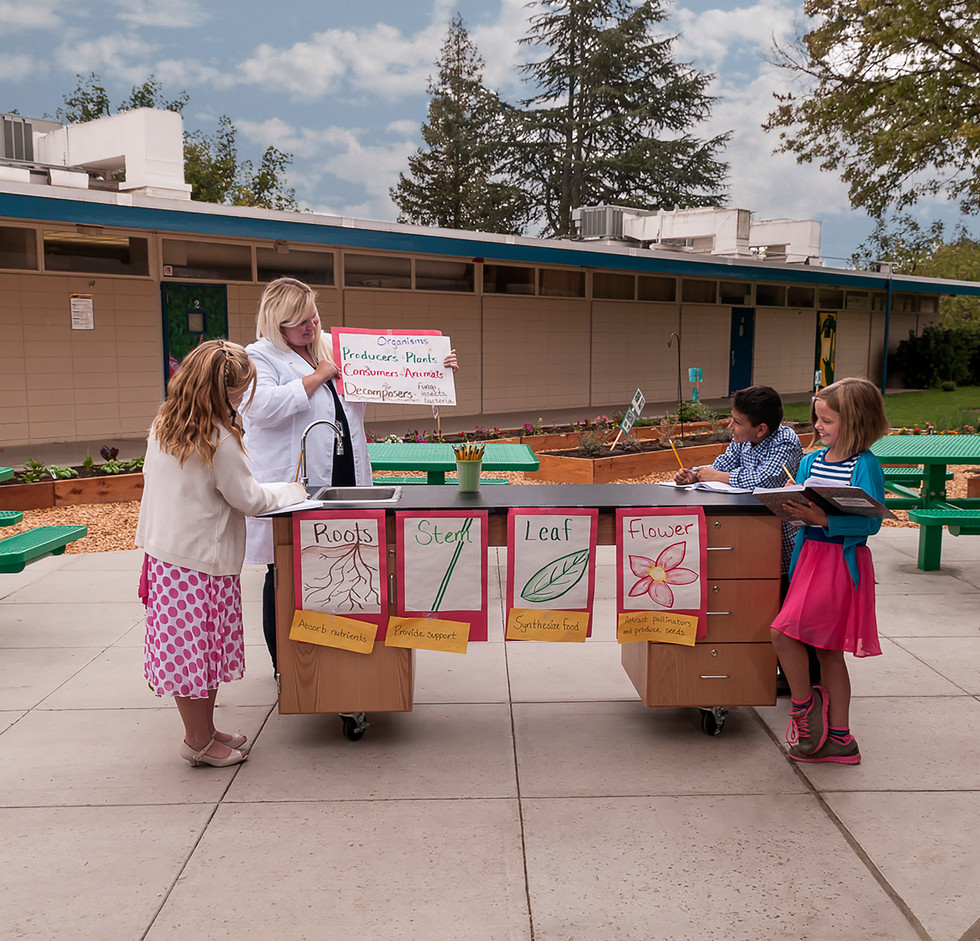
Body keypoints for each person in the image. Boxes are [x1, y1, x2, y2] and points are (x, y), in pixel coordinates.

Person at [241, 277, 458, 671]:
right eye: (300, 322)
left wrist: (434, 369)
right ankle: (286, 666)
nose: (311, 327)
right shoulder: (258, 357)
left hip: (344, 476)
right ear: (276, 322)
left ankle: (339, 652)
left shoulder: (330, 349)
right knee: (285, 571)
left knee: (341, 564)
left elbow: (388, 380)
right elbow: (261, 407)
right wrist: (318, 376)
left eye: (314, 317)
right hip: (294, 482)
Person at [136, 340, 307, 768]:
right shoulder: (217, 439)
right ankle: (197, 741)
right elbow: (249, 499)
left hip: (168, 557)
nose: (241, 398)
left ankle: (206, 731)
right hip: (201, 564)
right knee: (201, 656)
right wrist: (294, 489)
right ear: (221, 392)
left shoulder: (166, 424)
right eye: (238, 391)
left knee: (193, 655)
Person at [769, 377, 890, 765]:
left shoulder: (864, 465)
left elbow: (870, 523)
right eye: (817, 419)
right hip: (809, 560)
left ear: (855, 422)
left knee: (784, 634)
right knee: (825, 651)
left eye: (828, 421)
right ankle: (840, 738)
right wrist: (795, 514)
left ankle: (806, 711)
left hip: (840, 563)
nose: (819, 427)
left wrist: (824, 518)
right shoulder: (810, 461)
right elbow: (806, 509)